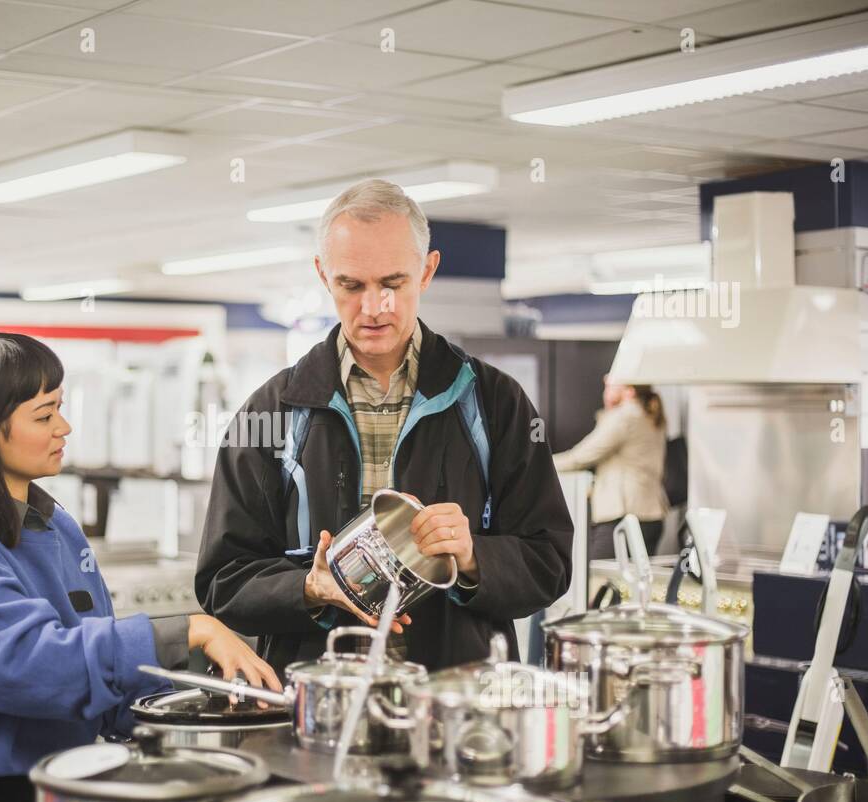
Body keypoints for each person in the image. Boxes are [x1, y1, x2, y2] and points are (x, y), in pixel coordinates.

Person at [0, 330, 278, 802]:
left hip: (51, 790)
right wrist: (184, 630)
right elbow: (26, 666)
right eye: (44, 416)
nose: (63, 428)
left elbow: (91, 672)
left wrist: (180, 715)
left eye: (59, 410)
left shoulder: (54, 525)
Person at [195, 179, 573, 672]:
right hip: (316, 695)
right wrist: (309, 588)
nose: (374, 308)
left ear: (427, 271)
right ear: (322, 275)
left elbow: (551, 562)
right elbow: (223, 580)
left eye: (392, 283)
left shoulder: (496, 403)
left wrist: (473, 556)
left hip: (454, 700)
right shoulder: (269, 412)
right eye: (351, 285)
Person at [553, 377, 668, 558]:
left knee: (600, 580)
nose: (605, 389)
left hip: (623, 515)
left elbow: (581, 456)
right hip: (650, 514)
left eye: (610, 385)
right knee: (635, 582)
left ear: (629, 390)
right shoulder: (648, 413)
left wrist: (540, 464)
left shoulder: (625, 416)